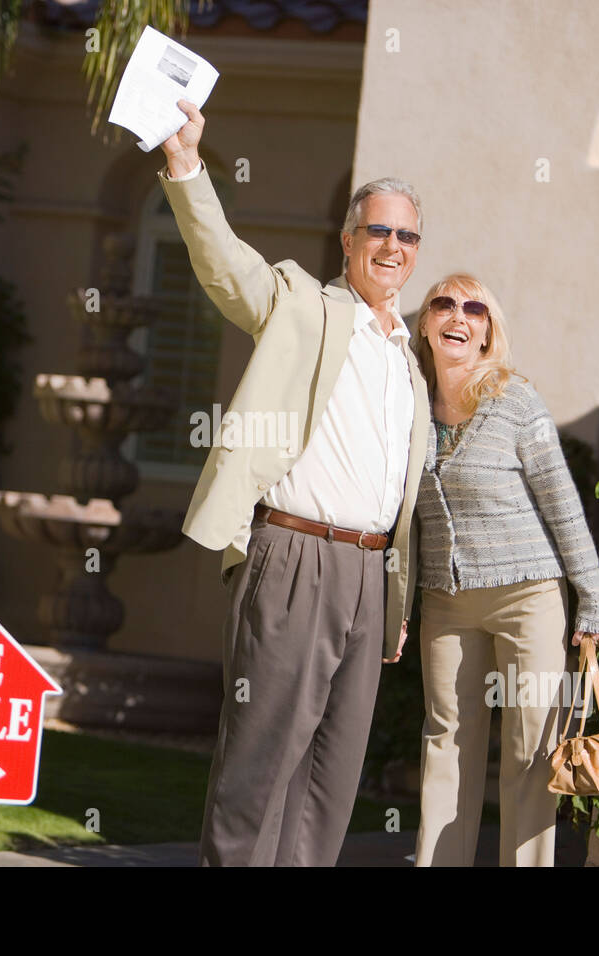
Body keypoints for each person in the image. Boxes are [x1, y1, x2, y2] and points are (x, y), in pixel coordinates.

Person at [155, 100, 430, 866]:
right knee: (259, 772)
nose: (392, 245)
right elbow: (226, 266)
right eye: (377, 229)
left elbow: (399, 496)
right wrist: (185, 164)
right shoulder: (303, 305)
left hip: (368, 579)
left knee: (330, 787)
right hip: (294, 557)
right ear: (348, 240)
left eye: (406, 235)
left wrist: (394, 596)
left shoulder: (409, 364)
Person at [409, 272, 599, 867]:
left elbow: (562, 505)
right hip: (445, 600)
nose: (458, 315)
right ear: (425, 322)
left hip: (529, 598)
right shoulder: (411, 400)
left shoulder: (514, 401)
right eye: (444, 304)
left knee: (530, 752)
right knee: (445, 743)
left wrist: (592, 600)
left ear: (487, 333)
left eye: (475, 309)